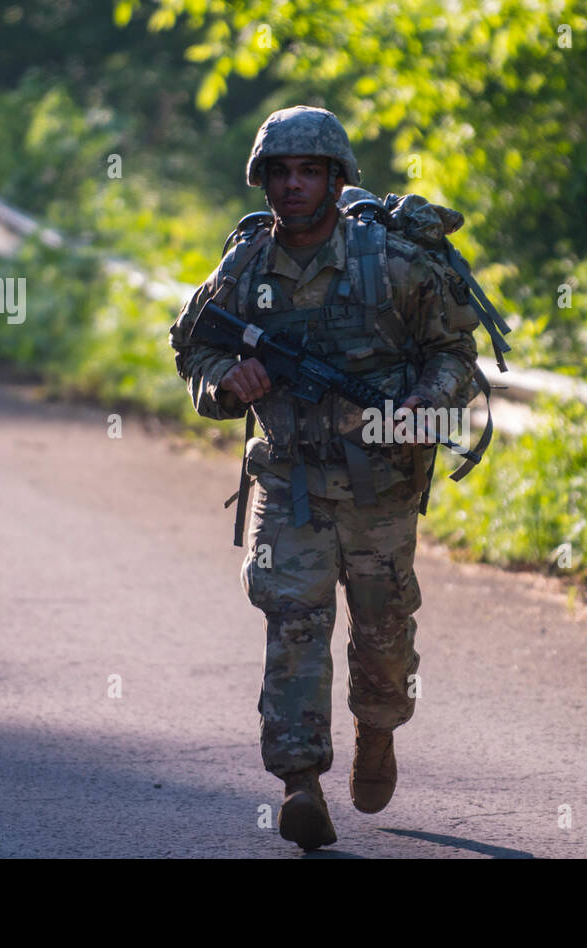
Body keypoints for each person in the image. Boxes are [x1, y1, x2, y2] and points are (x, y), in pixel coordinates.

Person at [168, 106, 482, 851]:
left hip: (381, 490)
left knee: (382, 633)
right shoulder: (243, 270)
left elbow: (454, 355)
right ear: (263, 180)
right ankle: (300, 781)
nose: (294, 185)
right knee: (294, 624)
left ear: (337, 180)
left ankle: (378, 730)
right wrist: (227, 381)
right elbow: (192, 349)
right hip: (289, 482)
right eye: (280, 172)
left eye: (310, 171)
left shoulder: (391, 265)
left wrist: (426, 401)